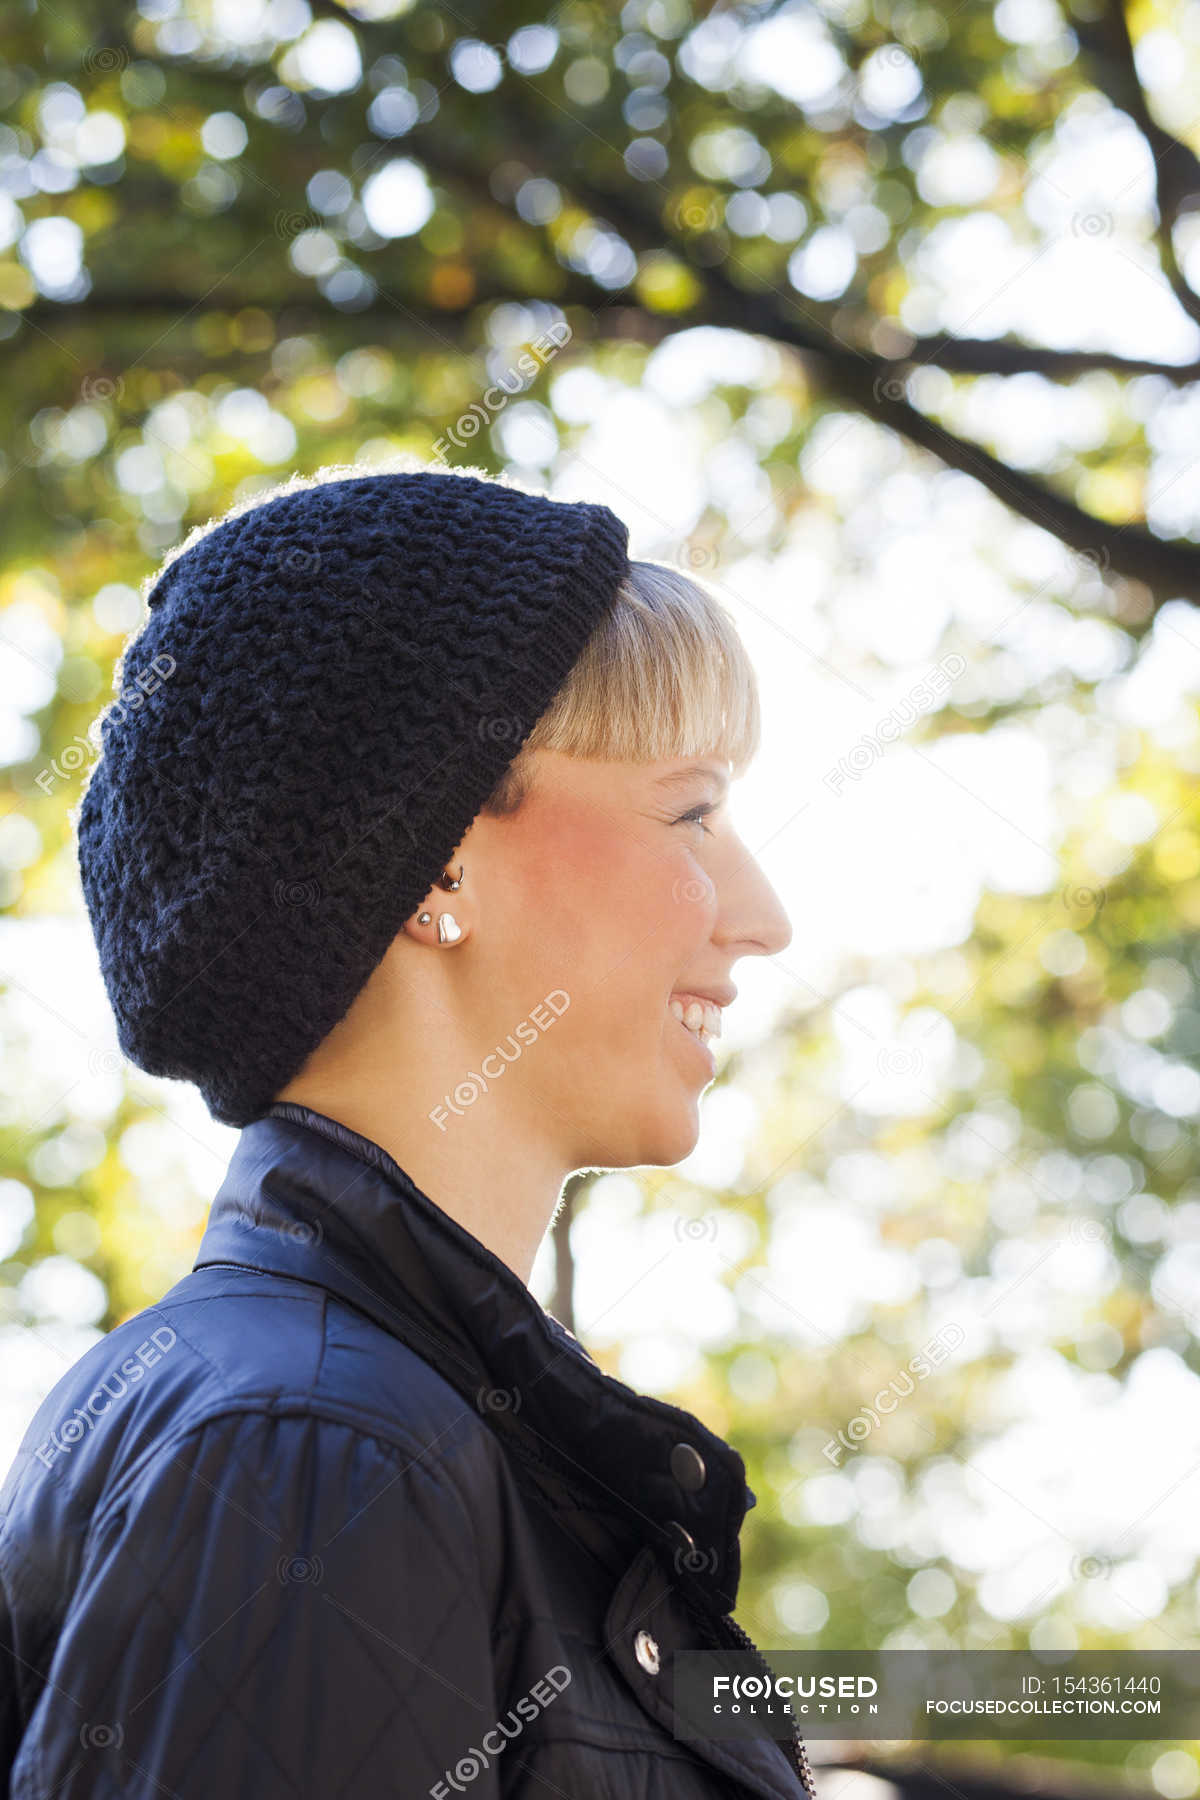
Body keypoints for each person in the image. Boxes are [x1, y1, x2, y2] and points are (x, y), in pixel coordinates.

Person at [0, 459, 817, 1798]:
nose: (764, 913)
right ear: (440, 856)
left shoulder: (370, 1427)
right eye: (695, 811)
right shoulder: (316, 1452)